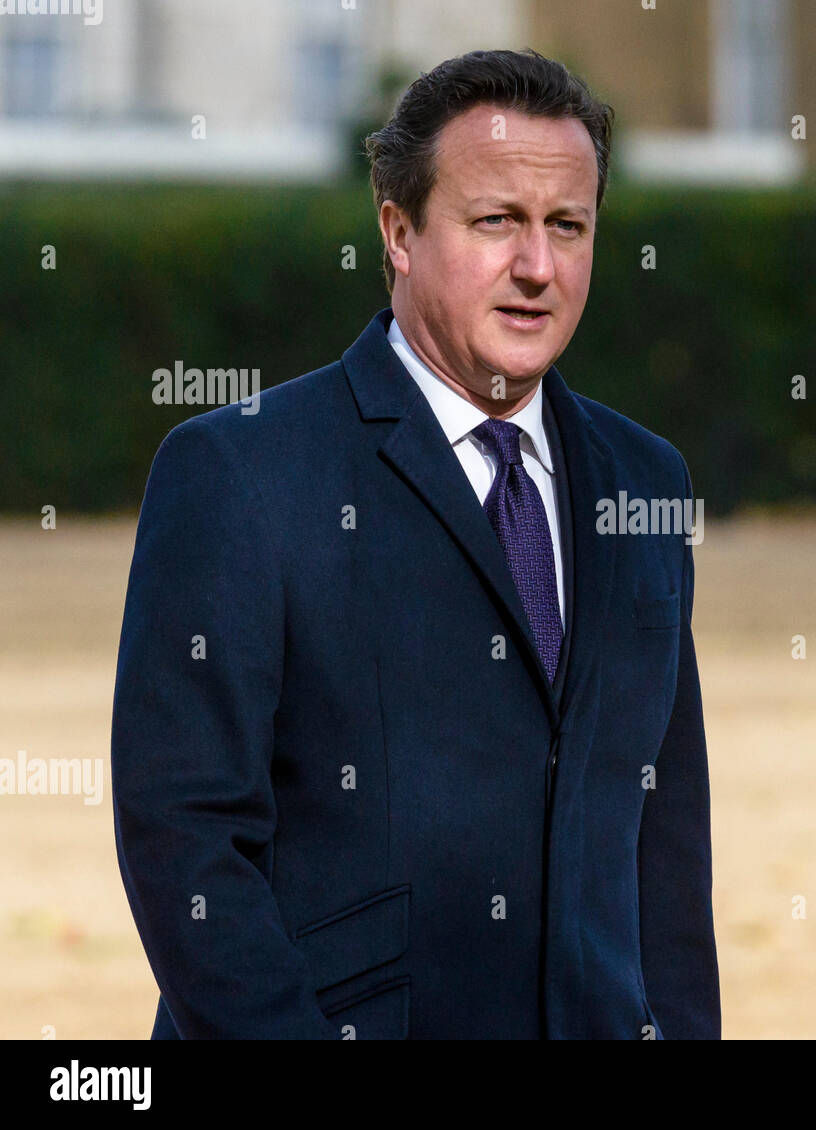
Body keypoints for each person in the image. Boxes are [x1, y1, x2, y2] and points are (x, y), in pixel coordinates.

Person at [110, 48, 720, 1040]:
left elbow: (663, 839)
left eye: (567, 225)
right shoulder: (240, 472)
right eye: (496, 222)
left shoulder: (645, 479)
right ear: (397, 232)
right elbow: (187, 837)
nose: (537, 265)